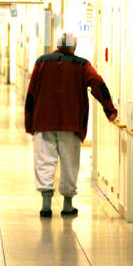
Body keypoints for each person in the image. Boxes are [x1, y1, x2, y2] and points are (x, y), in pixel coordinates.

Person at [24, 32, 118, 217]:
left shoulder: (42, 62)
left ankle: (46, 205)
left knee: (44, 160)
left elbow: (31, 93)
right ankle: (67, 205)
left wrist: (29, 122)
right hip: (71, 122)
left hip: (43, 121)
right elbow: (98, 84)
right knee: (69, 162)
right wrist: (110, 109)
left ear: (57, 45)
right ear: (74, 47)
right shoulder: (82, 64)